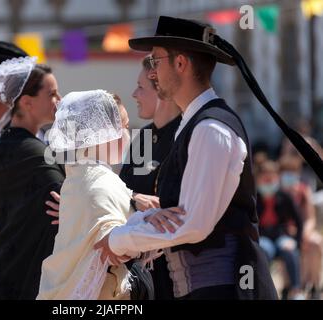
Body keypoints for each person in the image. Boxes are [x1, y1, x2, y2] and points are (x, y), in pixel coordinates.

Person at [95, 16, 278, 300]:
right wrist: (140, 222)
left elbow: (193, 224)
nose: (152, 73)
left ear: (180, 63)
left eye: (156, 61)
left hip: (224, 290)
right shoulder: (194, 125)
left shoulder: (210, 128)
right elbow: (181, 214)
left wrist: (120, 239)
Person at [0, 57, 65, 299]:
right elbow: (67, 199)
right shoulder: (32, 151)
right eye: (52, 94)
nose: (60, 100)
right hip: (19, 279)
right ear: (27, 102)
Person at [37, 90, 138, 300]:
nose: (128, 135)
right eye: (125, 127)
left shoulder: (77, 172)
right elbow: (120, 249)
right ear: (106, 133)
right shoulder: (102, 182)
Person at [119, 56, 182, 299]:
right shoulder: (143, 138)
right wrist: (134, 198)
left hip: (177, 270)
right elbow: (122, 190)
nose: (134, 94)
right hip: (143, 270)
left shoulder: (187, 136)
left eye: (141, 87)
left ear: (161, 92)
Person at [256, 160, 304, 299]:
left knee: (289, 251)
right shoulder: (254, 198)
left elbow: (299, 221)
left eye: (272, 179)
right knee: (264, 252)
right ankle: (264, 291)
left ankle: (296, 291)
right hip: (263, 236)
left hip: (281, 235)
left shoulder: (285, 196)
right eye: (265, 179)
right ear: (258, 179)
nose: (269, 182)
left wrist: (296, 241)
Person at [279, 155, 322, 299]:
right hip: (284, 234)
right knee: (286, 246)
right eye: (286, 172)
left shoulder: (304, 191)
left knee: (315, 243)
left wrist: (304, 234)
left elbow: (310, 219)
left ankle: (315, 287)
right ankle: (288, 287)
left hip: (303, 232)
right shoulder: (278, 194)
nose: (289, 176)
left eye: (292, 172)